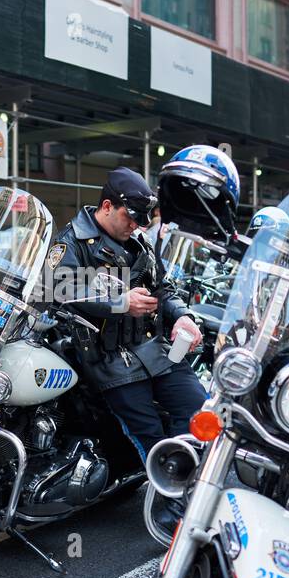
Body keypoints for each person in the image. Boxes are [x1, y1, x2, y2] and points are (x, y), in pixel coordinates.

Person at [47, 167, 207, 462]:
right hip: (110, 362)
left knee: (201, 412)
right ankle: (170, 495)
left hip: (156, 349)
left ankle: (191, 480)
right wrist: (120, 302)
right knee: (151, 438)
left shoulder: (140, 242)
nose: (135, 225)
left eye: (140, 219)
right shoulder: (71, 242)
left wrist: (184, 316)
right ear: (107, 206)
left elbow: (163, 290)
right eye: (130, 217)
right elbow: (58, 287)